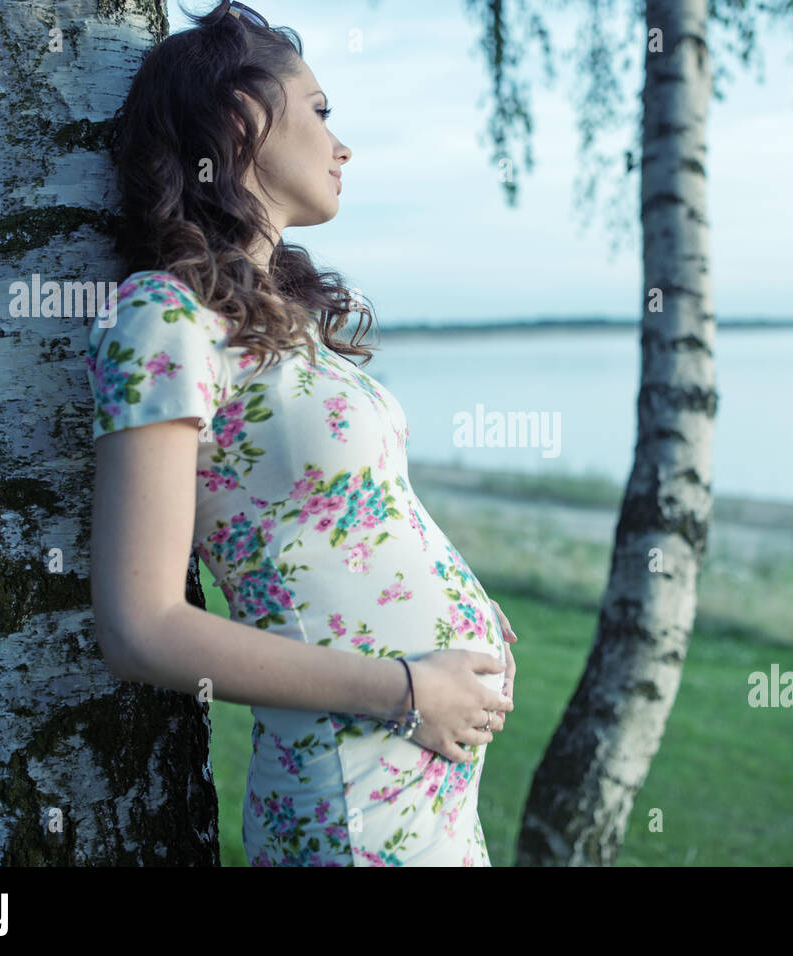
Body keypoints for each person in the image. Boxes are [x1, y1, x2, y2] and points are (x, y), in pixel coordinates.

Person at [87, 0, 518, 866]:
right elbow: (140, 626)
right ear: (243, 116)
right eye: (320, 111)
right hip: (351, 793)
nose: (341, 143)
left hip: (419, 786)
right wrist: (403, 688)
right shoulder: (165, 316)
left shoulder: (278, 324)